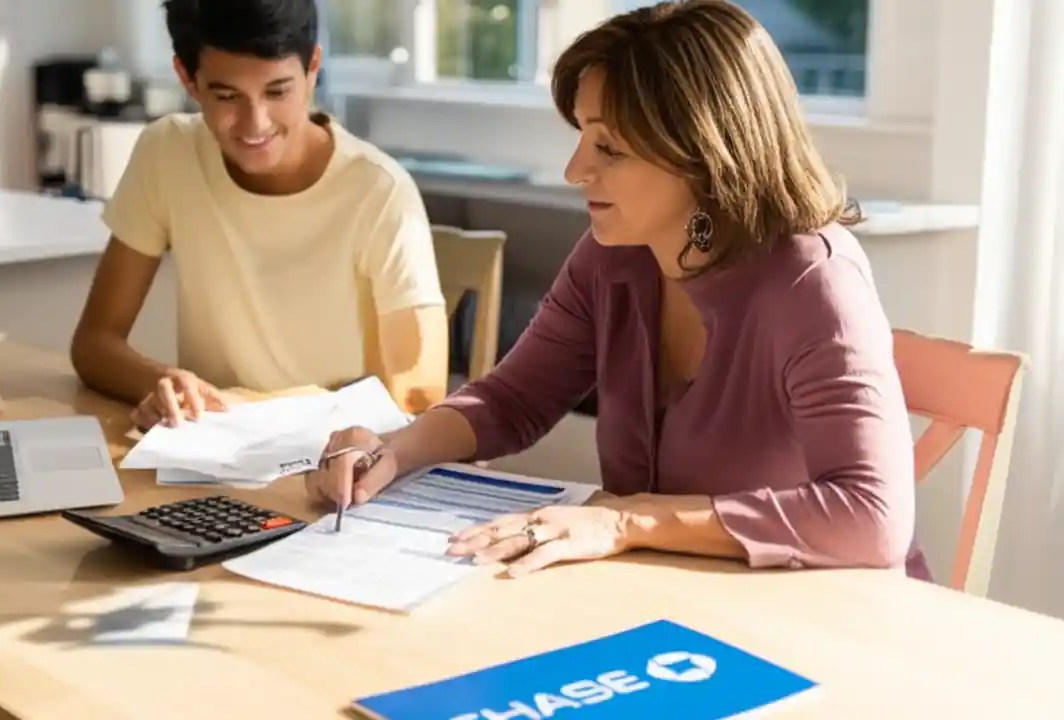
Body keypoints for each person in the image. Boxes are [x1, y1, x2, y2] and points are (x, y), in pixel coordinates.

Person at [307, 0, 927, 581]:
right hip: (664, 601)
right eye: (581, 135)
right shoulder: (615, 255)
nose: (576, 170)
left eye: (609, 147)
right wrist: (395, 449)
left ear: (704, 156)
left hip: (817, 621)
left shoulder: (812, 281)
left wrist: (624, 522)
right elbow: (514, 401)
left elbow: (871, 519)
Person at [71, 0, 449, 430]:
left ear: (313, 69)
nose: (255, 124)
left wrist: (259, 411)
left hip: (331, 459)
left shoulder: (378, 191)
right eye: (227, 95)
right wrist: (162, 383)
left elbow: (419, 392)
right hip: (212, 455)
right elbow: (93, 344)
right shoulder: (167, 153)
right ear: (187, 78)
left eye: (277, 91)